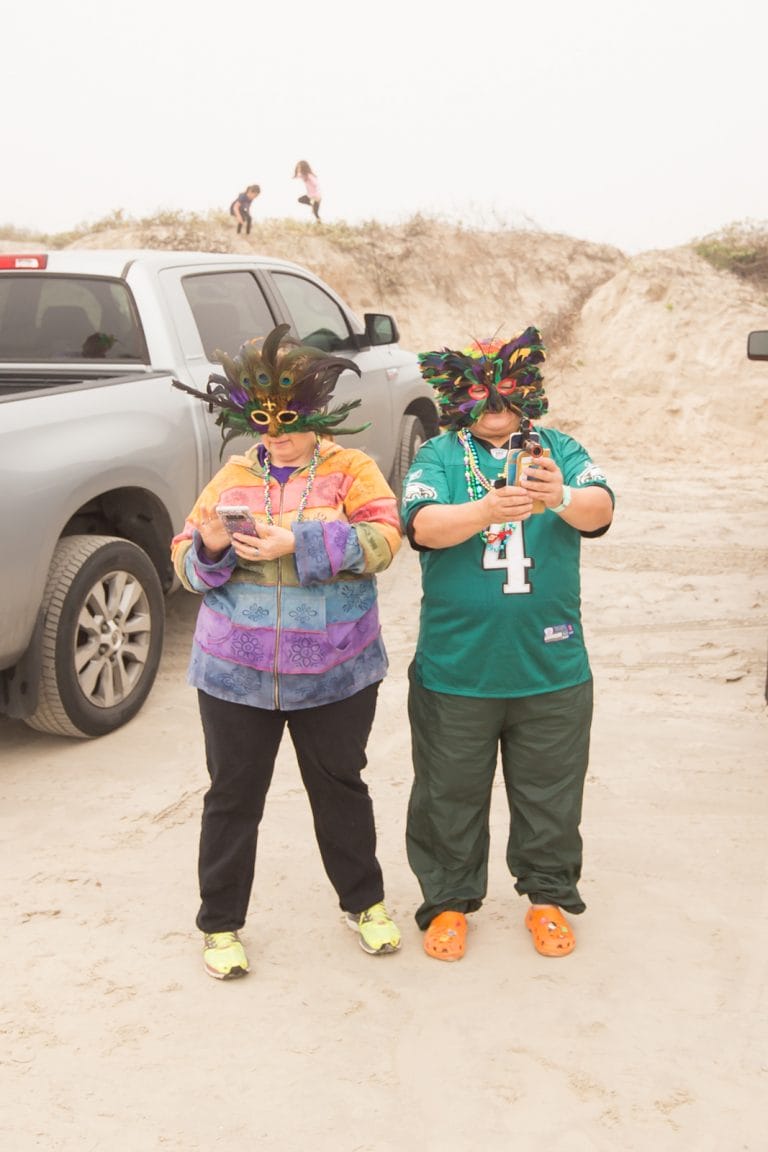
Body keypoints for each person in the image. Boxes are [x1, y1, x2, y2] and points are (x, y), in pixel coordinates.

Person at [171, 323, 403, 979]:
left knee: (339, 788)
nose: (274, 434)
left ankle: (364, 903)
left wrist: (294, 547)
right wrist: (211, 548)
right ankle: (220, 924)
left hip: (336, 673)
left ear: (316, 415)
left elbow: (385, 541)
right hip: (234, 676)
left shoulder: (351, 470)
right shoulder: (233, 475)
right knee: (232, 797)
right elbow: (184, 561)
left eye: (288, 422)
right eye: (263, 422)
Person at [400, 326, 615, 962]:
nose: (496, 403)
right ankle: (448, 903)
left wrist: (562, 496)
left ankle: (547, 899)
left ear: (530, 393)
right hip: (456, 666)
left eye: (508, 390)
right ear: (457, 397)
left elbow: (600, 511)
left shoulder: (561, 447)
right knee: (447, 792)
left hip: (551, 665)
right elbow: (422, 526)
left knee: (551, 790)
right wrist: (485, 512)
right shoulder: (439, 456)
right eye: (481, 392)